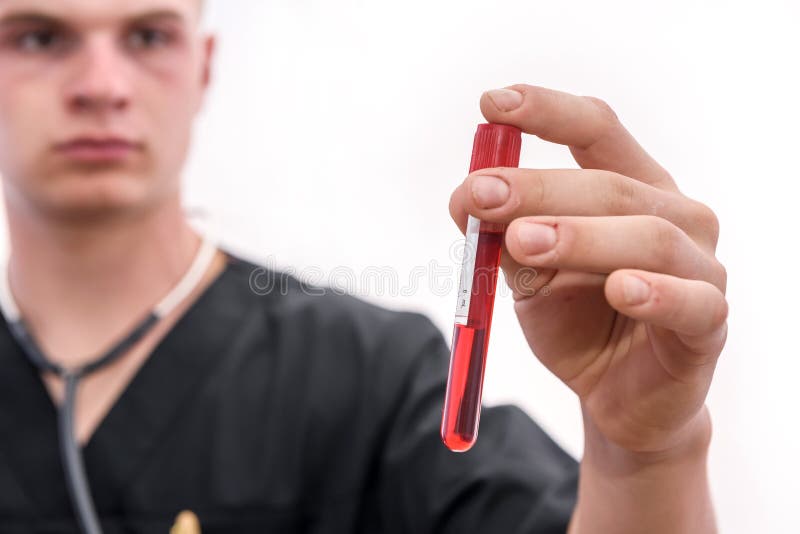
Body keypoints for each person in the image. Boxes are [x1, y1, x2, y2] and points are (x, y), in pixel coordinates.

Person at [0, 0, 728, 533]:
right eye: (37, 37)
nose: (102, 86)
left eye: (149, 35)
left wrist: (646, 456)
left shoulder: (366, 378)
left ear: (204, 65)